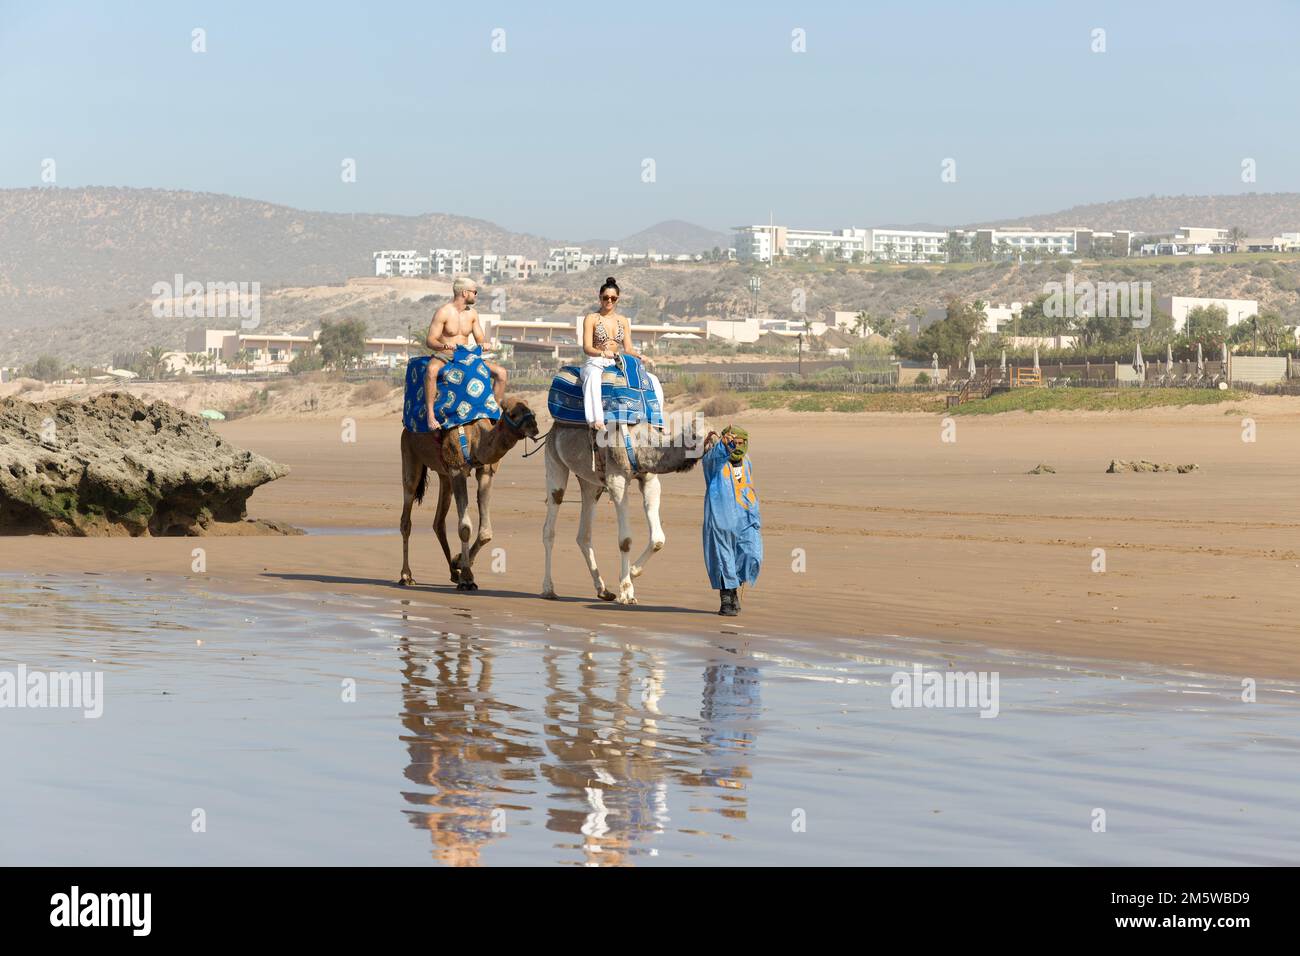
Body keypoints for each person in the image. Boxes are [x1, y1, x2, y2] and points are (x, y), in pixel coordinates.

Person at [580, 277, 666, 432]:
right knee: (593, 376)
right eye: (606, 297)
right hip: (595, 361)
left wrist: (640, 356)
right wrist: (601, 353)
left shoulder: (623, 320)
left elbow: (628, 349)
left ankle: (656, 420)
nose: (609, 301)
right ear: (600, 298)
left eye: (613, 298)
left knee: (652, 380)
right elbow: (587, 347)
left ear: (617, 299)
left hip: (616, 361)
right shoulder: (591, 318)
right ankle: (596, 420)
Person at [423, 276, 508, 429]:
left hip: (467, 356)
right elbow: (430, 340)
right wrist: (445, 347)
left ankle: (492, 414)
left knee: (501, 373)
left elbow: (480, 338)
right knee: (431, 370)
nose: (476, 295)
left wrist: (485, 344)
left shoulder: (473, 314)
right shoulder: (444, 312)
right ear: (464, 293)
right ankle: (430, 416)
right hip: (446, 355)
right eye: (474, 292)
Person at [701, 426, 762, 616]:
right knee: (723, 559)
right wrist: (723, 447)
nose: (737, 446)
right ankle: (727, 599)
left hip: (746, 517)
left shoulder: (747, 462)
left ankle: (735, 586)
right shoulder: (713, 460)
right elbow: (716, 457)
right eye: (734, 442)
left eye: (741, 442)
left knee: (752, 555)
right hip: (722, 517)